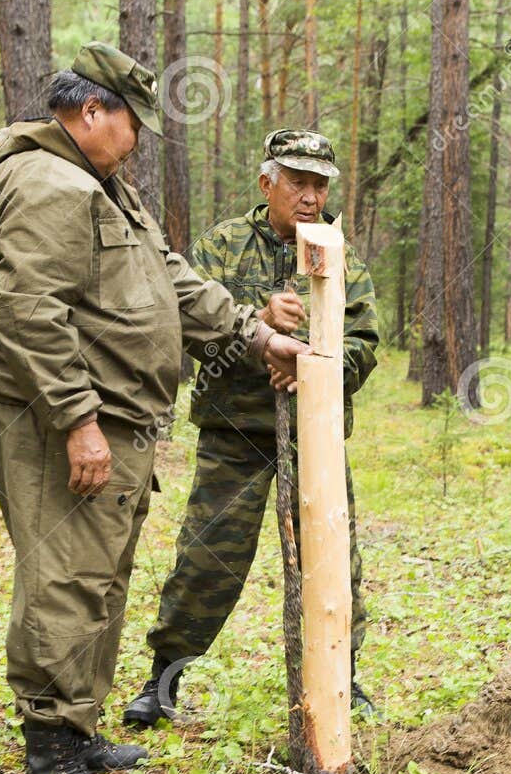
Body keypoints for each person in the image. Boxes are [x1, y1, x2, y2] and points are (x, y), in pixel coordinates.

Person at [0, 43, 307, 774]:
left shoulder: (102, 187)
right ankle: (52, 760)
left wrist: (255, 333)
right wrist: (77, 418)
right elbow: (30, 310)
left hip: (116, 417)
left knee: (100, 579)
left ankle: (78, 727)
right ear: (93, 111)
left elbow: (174, 282)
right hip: (64, 420)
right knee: (66, 580)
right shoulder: (47, 182)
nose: (137, 142)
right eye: (133, 125)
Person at [123, 129, 380, 727]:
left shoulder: (341, 254)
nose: (311, 197)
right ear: (268, 183)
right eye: (298, 183)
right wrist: (258, 330)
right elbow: (191, 328)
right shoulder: (222, 248)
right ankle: (164, 678)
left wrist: (314, 368)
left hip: (314, 437)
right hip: (233, 433)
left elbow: (365, 343)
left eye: (320, 186)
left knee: (334, 564)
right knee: (206, 559)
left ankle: (343, 681)